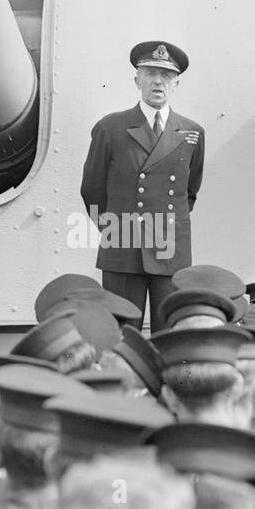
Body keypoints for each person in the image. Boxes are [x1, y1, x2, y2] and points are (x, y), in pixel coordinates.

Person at [80, 40, 206, 330]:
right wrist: (114, 230)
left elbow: (189, 193)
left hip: (170, 250)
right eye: (150, 73)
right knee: (122, 334)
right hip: (123, 249)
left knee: (171, 333)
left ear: (177, 82)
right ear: (137, 79)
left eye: (166, 76)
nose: (158, 82)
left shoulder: (192, 132)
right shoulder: (111, 128)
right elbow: (91, 189)